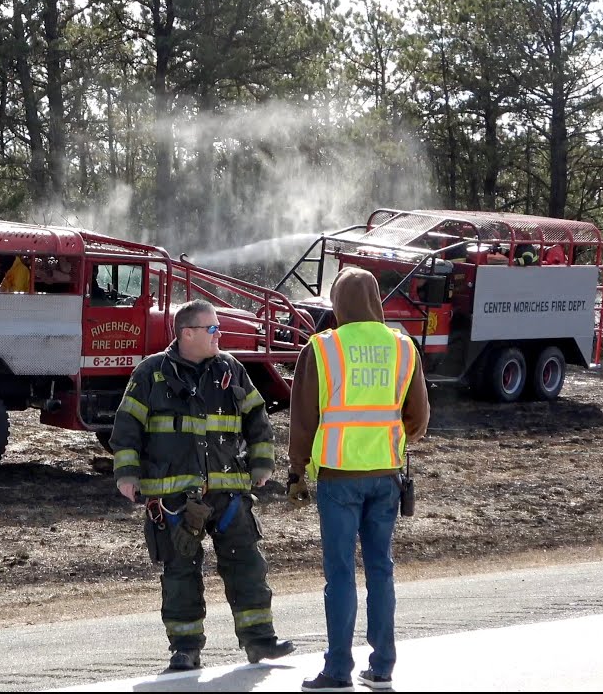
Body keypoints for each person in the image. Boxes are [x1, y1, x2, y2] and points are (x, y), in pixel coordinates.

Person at [110, 300, 296, 673]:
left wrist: (262, 463)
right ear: (187, 333)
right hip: (174, 499)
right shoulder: (150, 374)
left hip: (228, 495)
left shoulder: (231, 370)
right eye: (212, 329)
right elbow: (126, 428)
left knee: (246, 565)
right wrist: (127, 474)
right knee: (180, 571)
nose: (219, 335)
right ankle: (185, 648)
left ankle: (260, 642)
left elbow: (257, 419)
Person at [286, 267, 430, 693]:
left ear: (337, 303)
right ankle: (383, 665)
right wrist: (391, 442)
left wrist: (296, 471)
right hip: (386, 477)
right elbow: (418, 419)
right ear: (376, 301)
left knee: (341, 573)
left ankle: (337, 669)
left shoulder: (323, 348)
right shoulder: (403, 347)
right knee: (381, 570)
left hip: (337, 479)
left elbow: (303, 421)